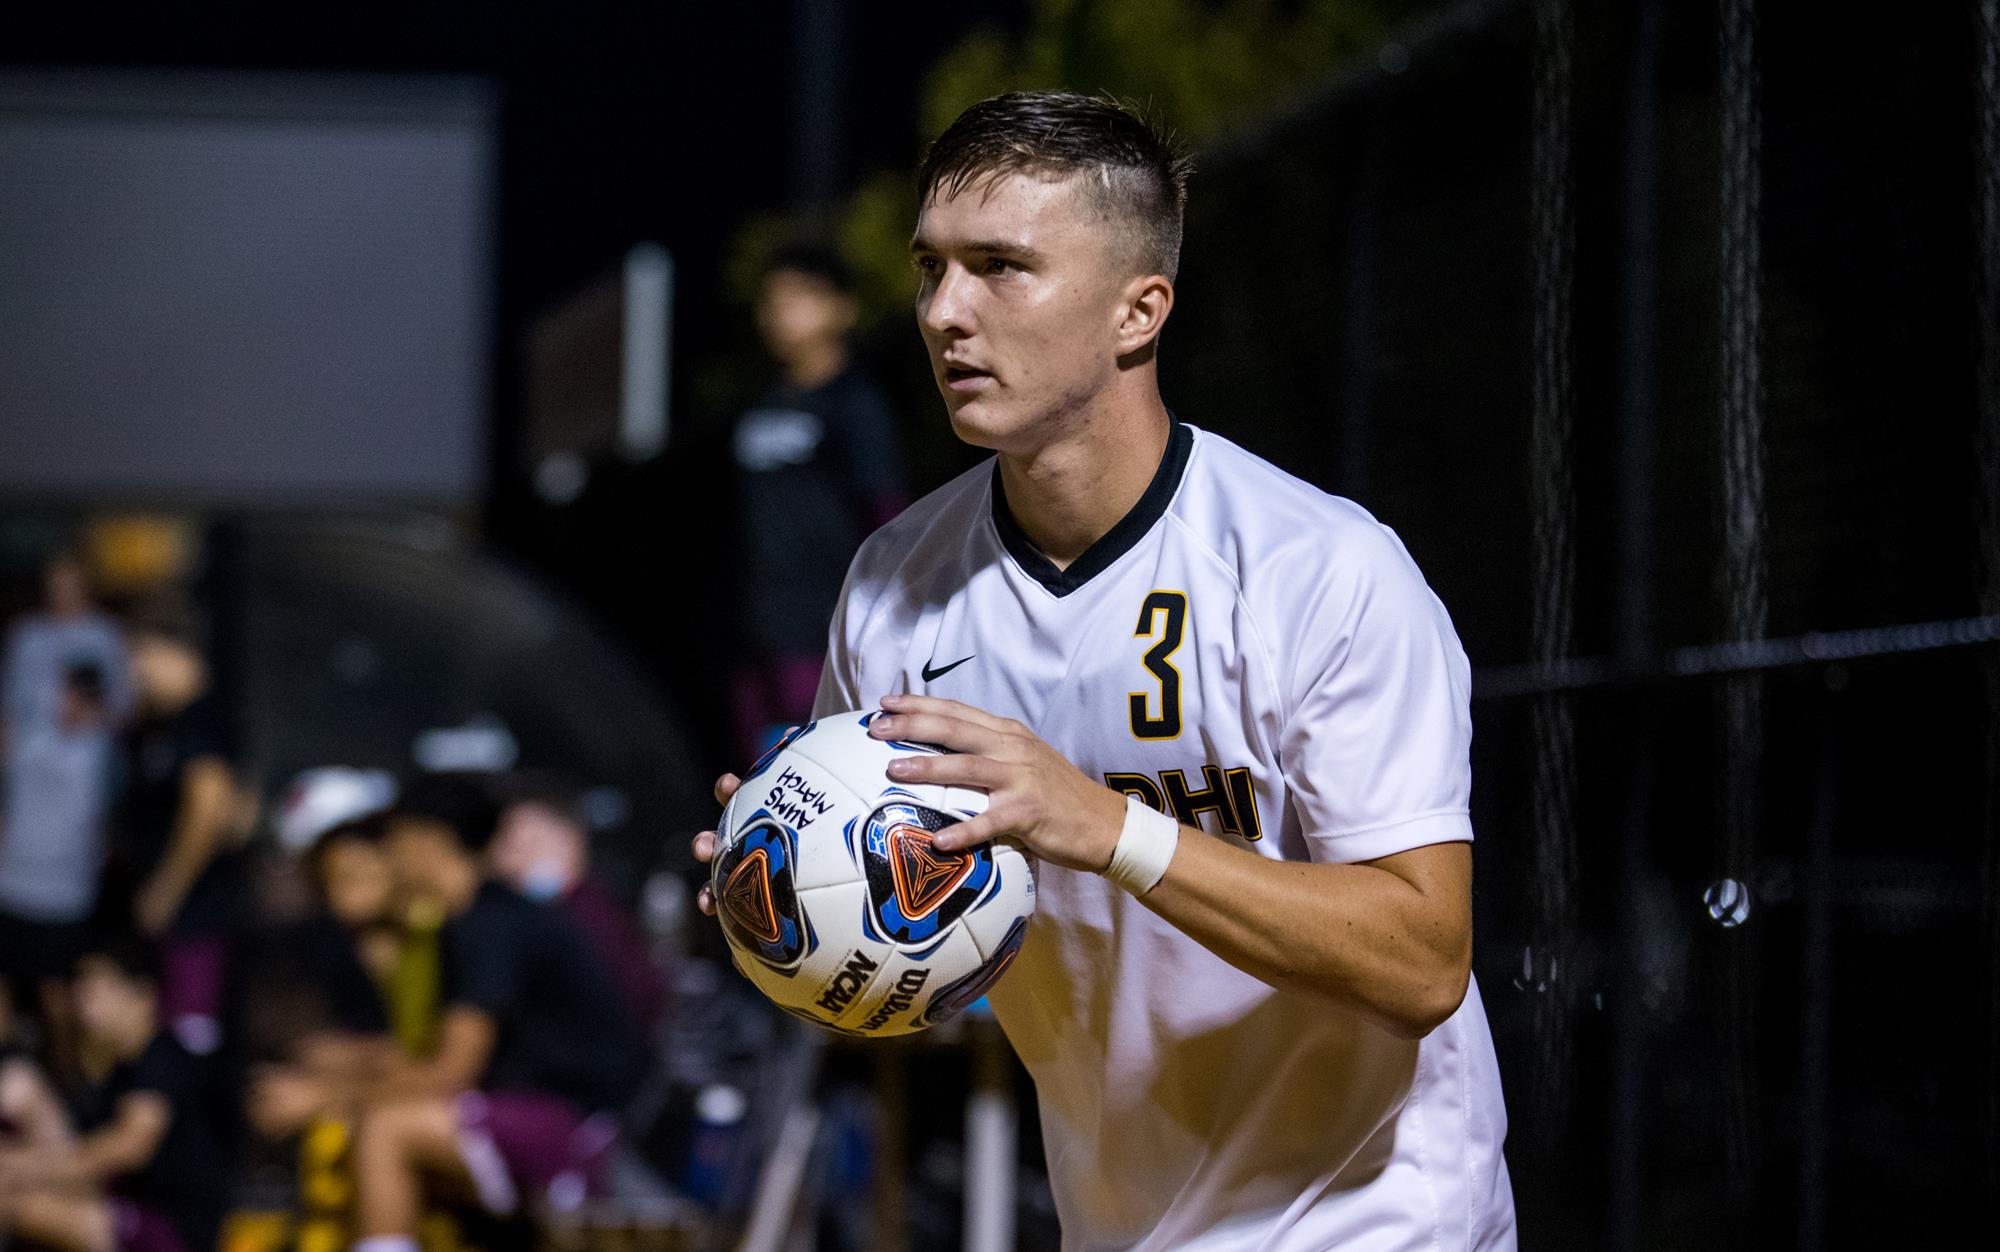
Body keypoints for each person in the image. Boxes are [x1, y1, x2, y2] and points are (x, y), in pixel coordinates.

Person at [695, 92, 1515, 1249]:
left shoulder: (1317, 570)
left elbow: (1424, 957)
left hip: (1371, 1212)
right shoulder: (890, 584)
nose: (943, 312)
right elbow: (910, 963)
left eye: (999, 267)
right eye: (931, 268)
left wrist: (1108, 826)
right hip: (1124, 1217)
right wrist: (790, 895)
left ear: (1139, 310)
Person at [273, 775, 645, 1251]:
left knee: (387, 1130)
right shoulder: (467, 921)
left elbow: (450, 1070)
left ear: (427, 841)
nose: (389, 855)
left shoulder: (491, 925)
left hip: (582, 1132)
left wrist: (325, 1094)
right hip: (543, 1117)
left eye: (395, 839)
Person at [729, 244, 907, 762]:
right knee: (758, 776)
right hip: (758, 633)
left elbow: (887, 519)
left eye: (799, 297)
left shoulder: (857, 405)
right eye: (772, 300)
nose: (781, 313)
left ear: (840, 307)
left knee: (819, 771)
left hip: (825, 636)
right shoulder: (757, 406)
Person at [0, 938, 226, 1252]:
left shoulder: (162, 1055)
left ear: (143, 995)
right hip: (126, 1208)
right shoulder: (117, 1069)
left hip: (171, 1227)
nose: (85, 999)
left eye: (99, 986)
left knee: (21, 1207)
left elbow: (129, 1146)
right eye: (82, 986)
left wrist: (25, 1168)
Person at [487, 775, 667, 1034]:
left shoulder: (594, 915)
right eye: (506, 848)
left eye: (529, 845)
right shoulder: (515, 918)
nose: (513, 862)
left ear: (573, 841)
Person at [0, 663, 115, 1068]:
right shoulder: (32, 738)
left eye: (74, 695)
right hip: (12, 889)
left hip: (65, 899)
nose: (64, 702)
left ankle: (70, 1081)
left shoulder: (104, 751)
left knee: (59, 999)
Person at [1, 548, 132, 754]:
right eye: (57, 580)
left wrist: (94, 711)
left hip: (85, 752)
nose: (63, 588)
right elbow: (10, 693)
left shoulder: (103, 635)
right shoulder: (26, 634)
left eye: (70, 580)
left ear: (85, 583)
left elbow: (123, 699)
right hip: (29, 750)